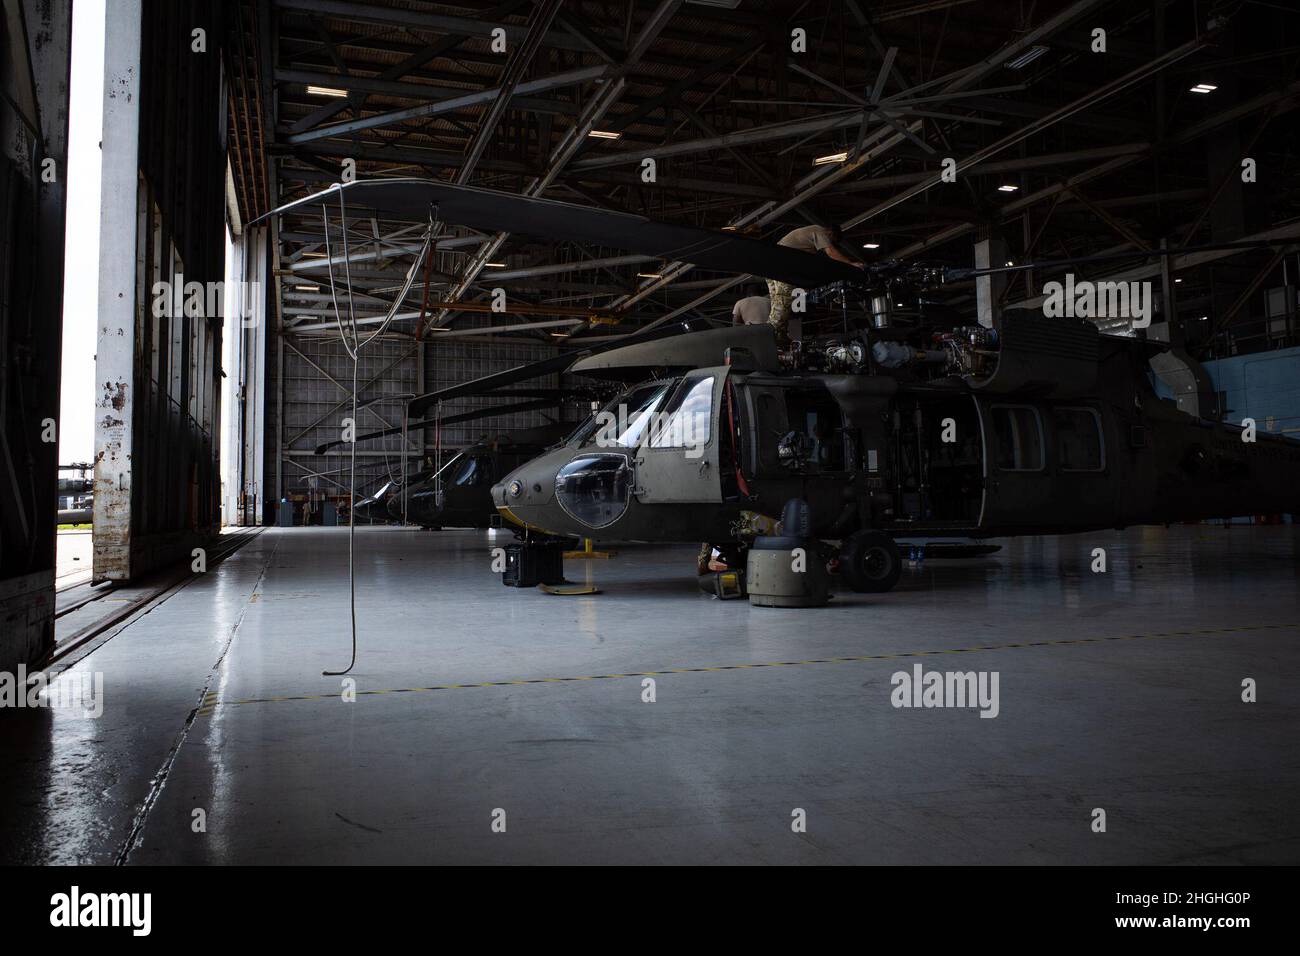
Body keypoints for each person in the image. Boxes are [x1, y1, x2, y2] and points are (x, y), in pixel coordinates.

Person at [766, 224, 862, 346]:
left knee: (778, 306)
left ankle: (779, 338)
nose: (829, 243)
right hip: (783, 265)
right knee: (782, 304)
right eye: (832, 241)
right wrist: (850, 265)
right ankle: (768, 337)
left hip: (770, 265)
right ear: (831, 234)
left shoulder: (807, 238)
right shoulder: (820, 231)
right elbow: (831, 252)